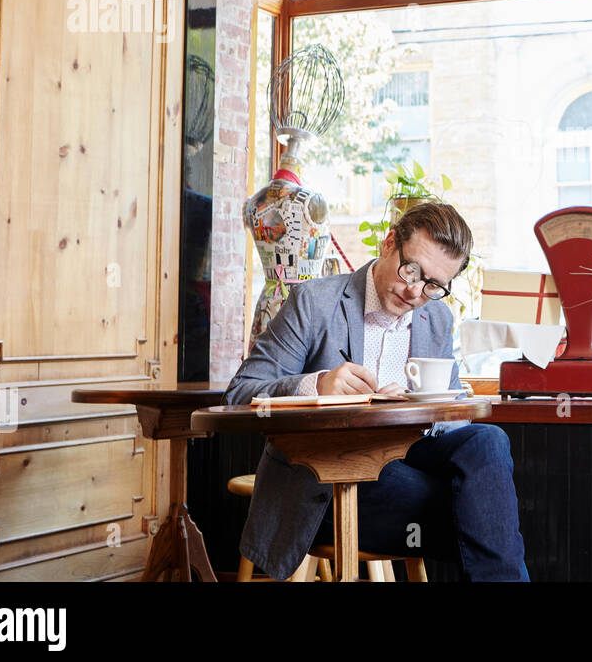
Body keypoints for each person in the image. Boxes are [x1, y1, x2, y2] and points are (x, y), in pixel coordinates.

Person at [223, 201, 529, 581]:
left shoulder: (436, 317)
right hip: (330, 479)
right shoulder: (315, 302)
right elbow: (240, 393)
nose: (416, 291)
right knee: (485, 512)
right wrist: (316, 385)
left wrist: (420, 406)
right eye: (411, 269)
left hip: (411, 458)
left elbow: (454, 423)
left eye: (434, 285)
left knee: (488, 441)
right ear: (388, 244)